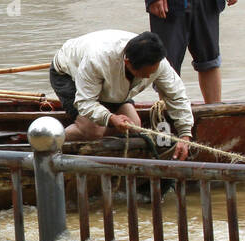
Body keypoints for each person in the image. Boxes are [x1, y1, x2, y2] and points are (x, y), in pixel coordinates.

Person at [49, 29, 193, 159]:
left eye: (152, 72)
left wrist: (184, 135)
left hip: (114, 87)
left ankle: (102, 156)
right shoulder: (97, 60)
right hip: (68, 73)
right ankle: (45, 145)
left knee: (133, 125)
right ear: (128, 63)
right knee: (93, 131)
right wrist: (111, 118)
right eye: (145, 74)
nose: (149, 77)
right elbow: (85, 102)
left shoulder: (158, 63)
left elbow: (177, 95)